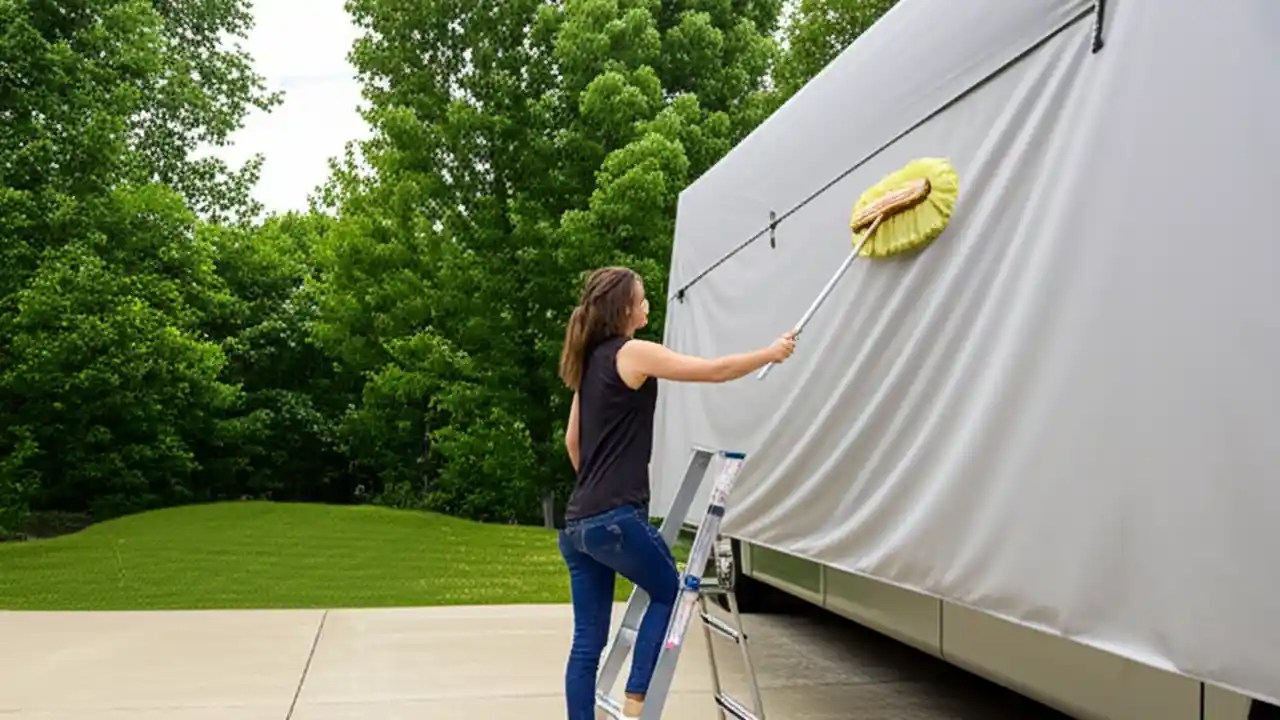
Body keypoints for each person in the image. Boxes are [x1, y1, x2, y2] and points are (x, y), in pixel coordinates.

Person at [556, 266, 796, 719]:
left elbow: (573, 442)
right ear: (626, 308)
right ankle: (636, 704)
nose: (648, 305)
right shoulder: (633, 352)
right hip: (615, 518)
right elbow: (714, 371)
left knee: (587, 644)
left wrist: (593, 488)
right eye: (643, 298)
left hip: (577, 526)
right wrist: (771, 353)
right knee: (670, 593)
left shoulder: (587, 365)